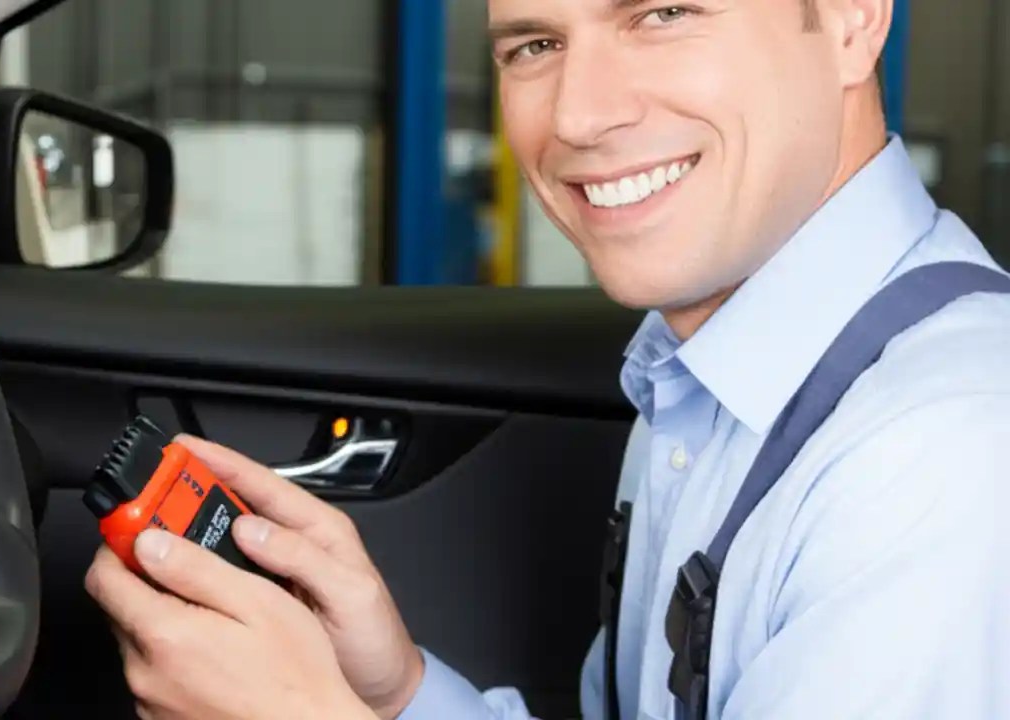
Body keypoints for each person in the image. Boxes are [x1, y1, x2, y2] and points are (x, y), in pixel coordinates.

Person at [84, 0, 1010, 717]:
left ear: (853, 19)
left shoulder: (945, 452)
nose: (579, 115)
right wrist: (393, 692)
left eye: (661, 14)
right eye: (533, 45)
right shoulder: (700, 371)